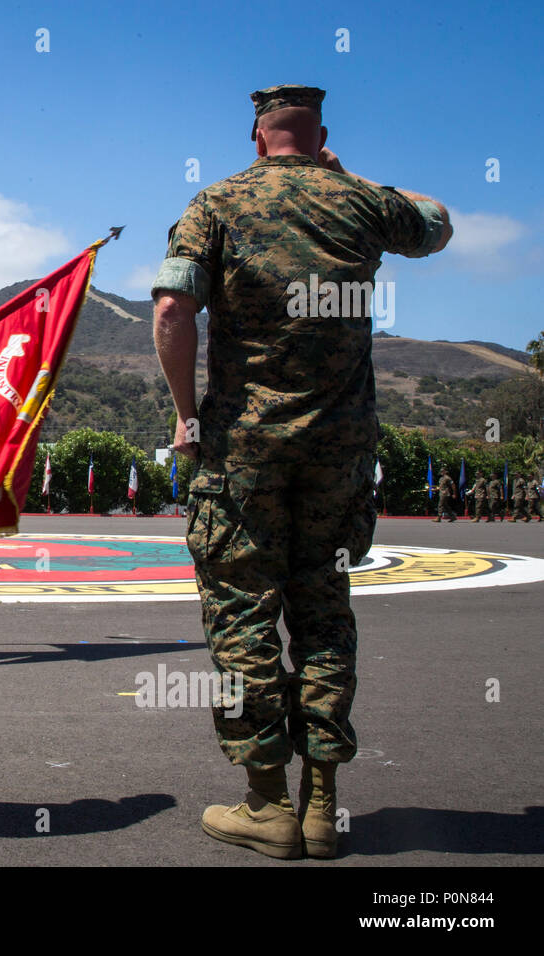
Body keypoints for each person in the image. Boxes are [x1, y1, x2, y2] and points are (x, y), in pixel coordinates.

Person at [151, 86, 451, 859]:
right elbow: (440, 222)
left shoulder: (214, 203)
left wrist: (188, 415)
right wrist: (350, 176)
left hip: (243, 453)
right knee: (324, 614)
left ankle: (266, 802)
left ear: (256, 136)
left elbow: (171, 312)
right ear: (322, 134)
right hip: (340, 454)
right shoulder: (361, 200)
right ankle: (324, 807)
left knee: (242, 617)